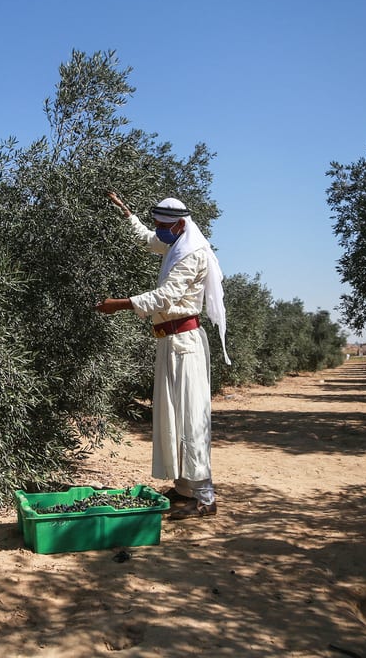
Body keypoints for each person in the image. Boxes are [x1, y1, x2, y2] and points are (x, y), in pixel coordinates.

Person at [95, 191, 230, 519]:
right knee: (175, 416)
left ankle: (205, 496)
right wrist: (126, 213)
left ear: (179, 224)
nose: (159, 230)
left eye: (163, 225)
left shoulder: (191, 254)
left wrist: (121, 304)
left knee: (191, 415)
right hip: (170, 342)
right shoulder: (176, 243)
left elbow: (167, 295)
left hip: (184, 344)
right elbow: (147, 239)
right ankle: (185, 488)